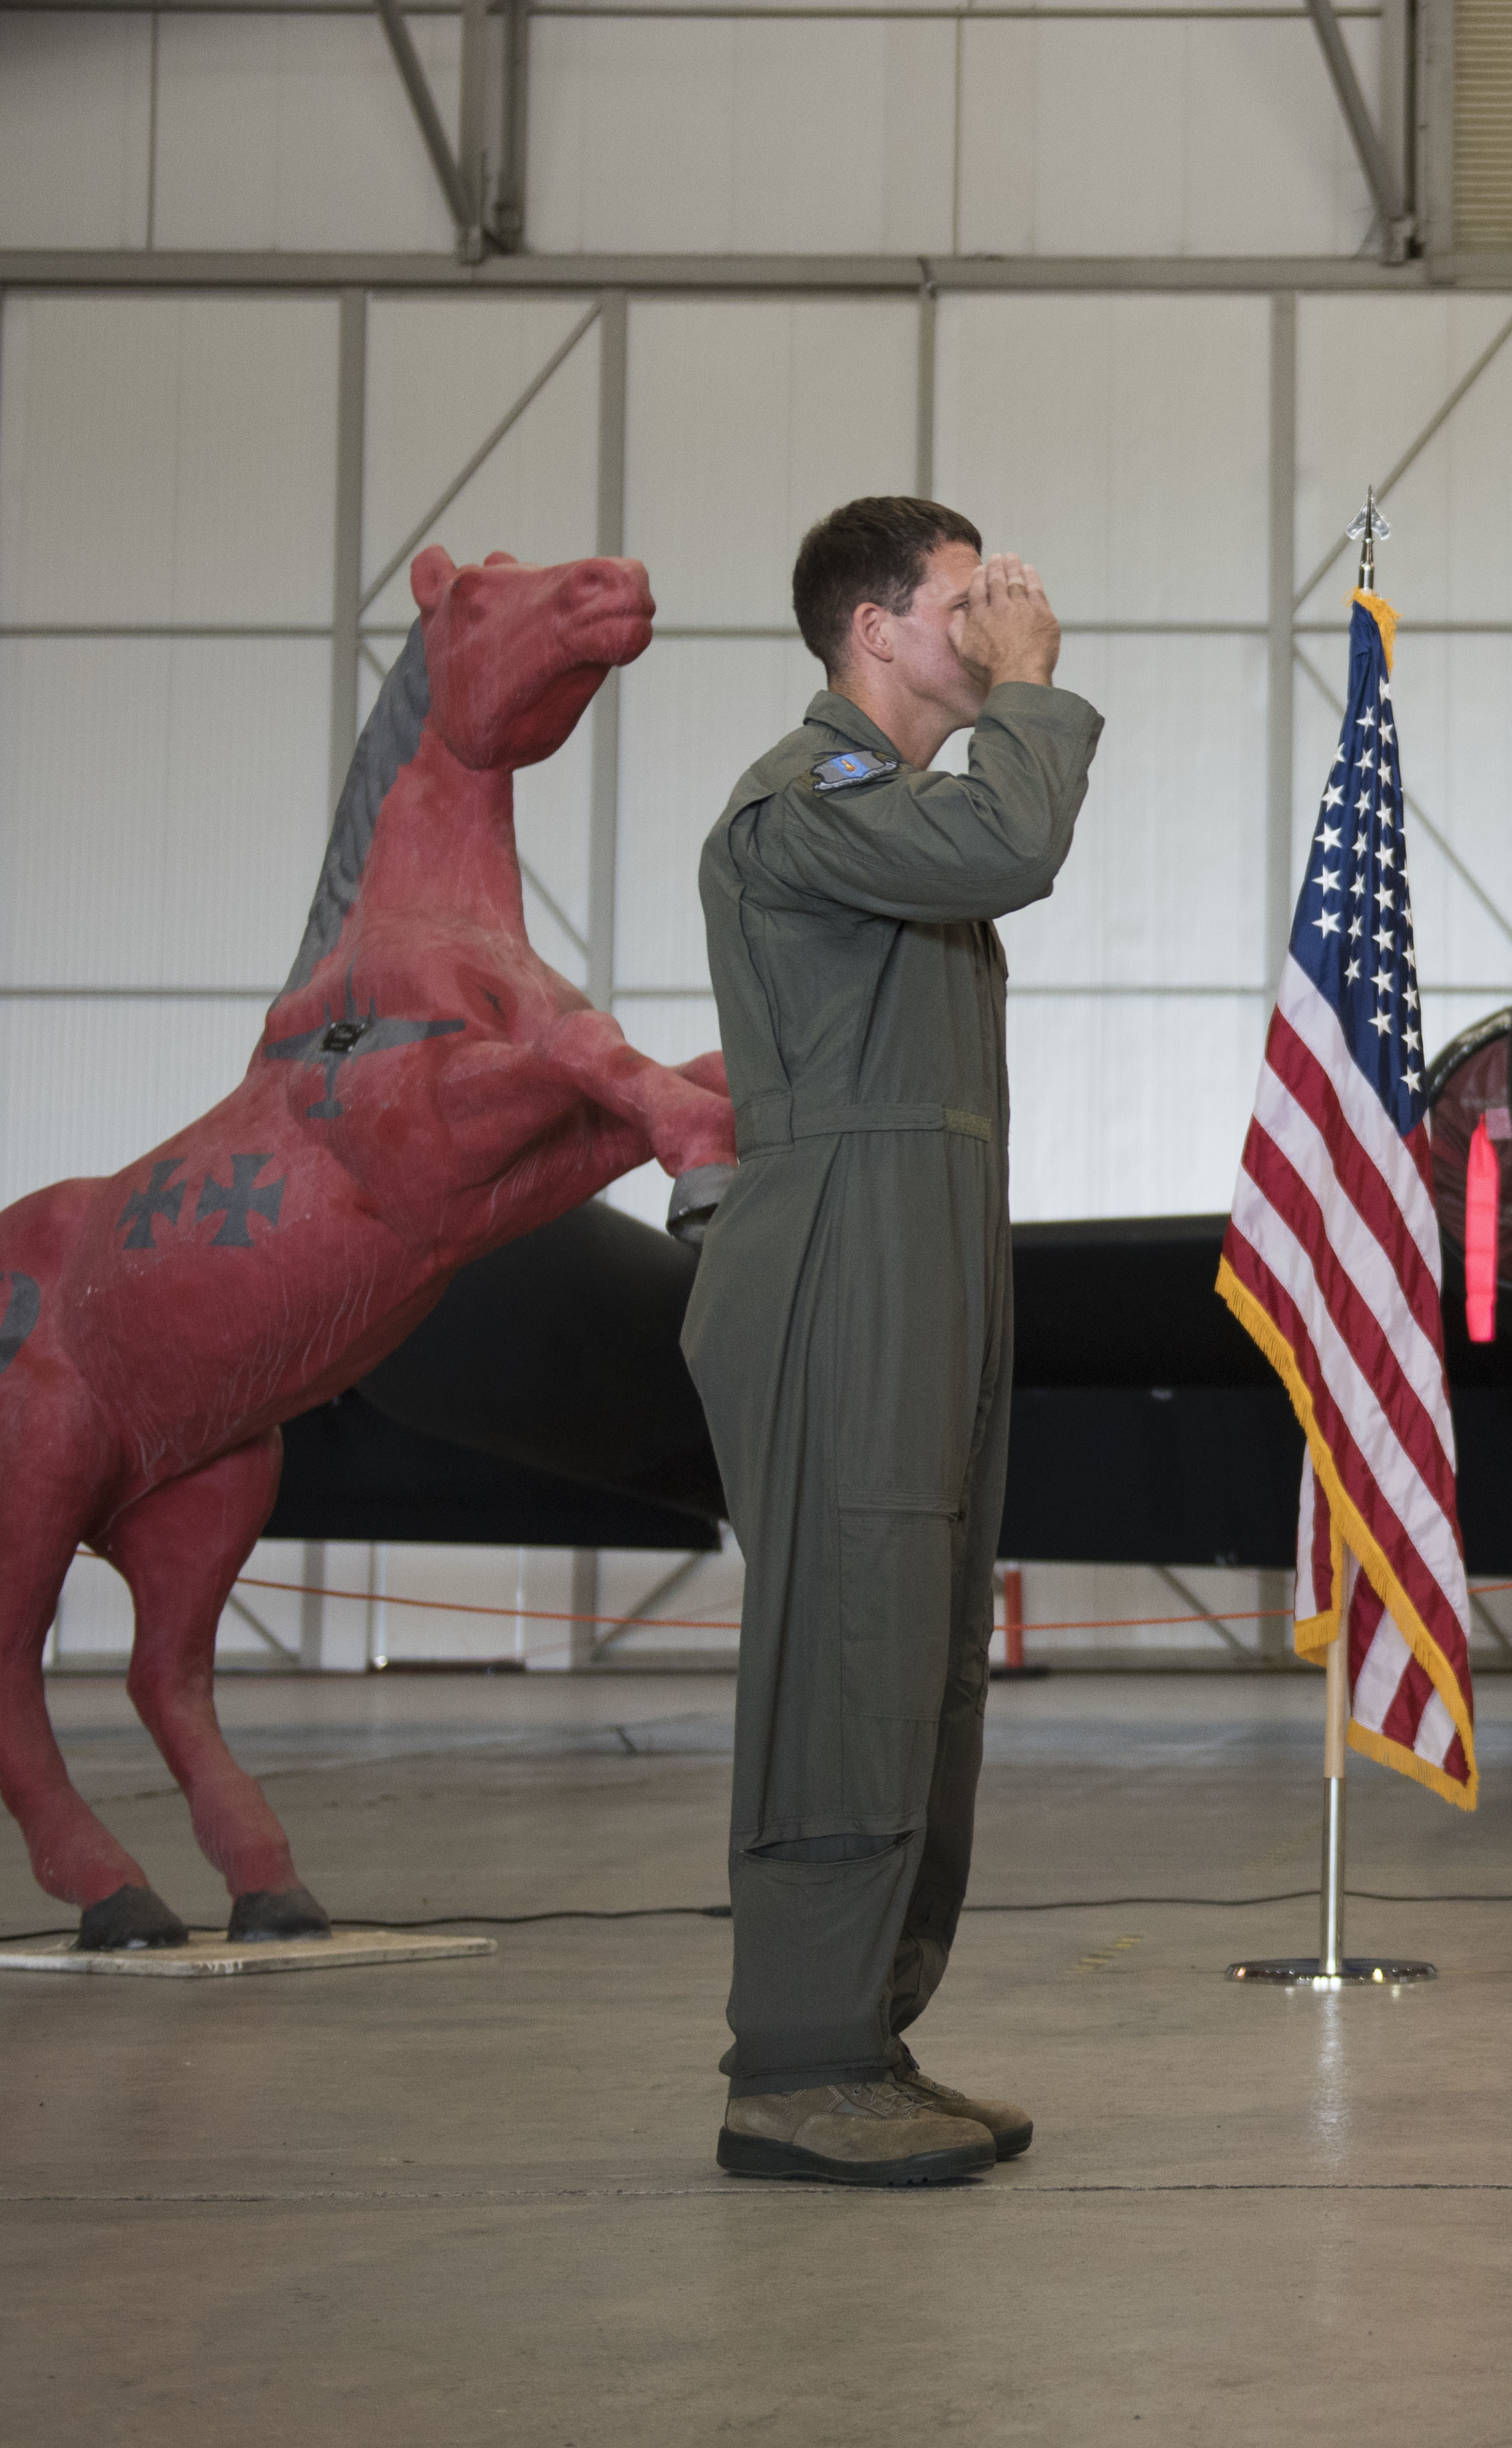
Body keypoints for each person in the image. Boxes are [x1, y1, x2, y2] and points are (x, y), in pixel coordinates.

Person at [685, 496, 1102, 2185]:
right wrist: (1036, 688)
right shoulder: (807, 804)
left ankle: (863, 2036)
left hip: (922, 1247)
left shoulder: (895, 809)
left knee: (920, 1664)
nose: (991, 620)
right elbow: (1011, 848)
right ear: (872, 628)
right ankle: (791, 2062)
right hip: (841, 1258)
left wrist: (1004, 698)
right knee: (846, 1648)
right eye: (959, 601)